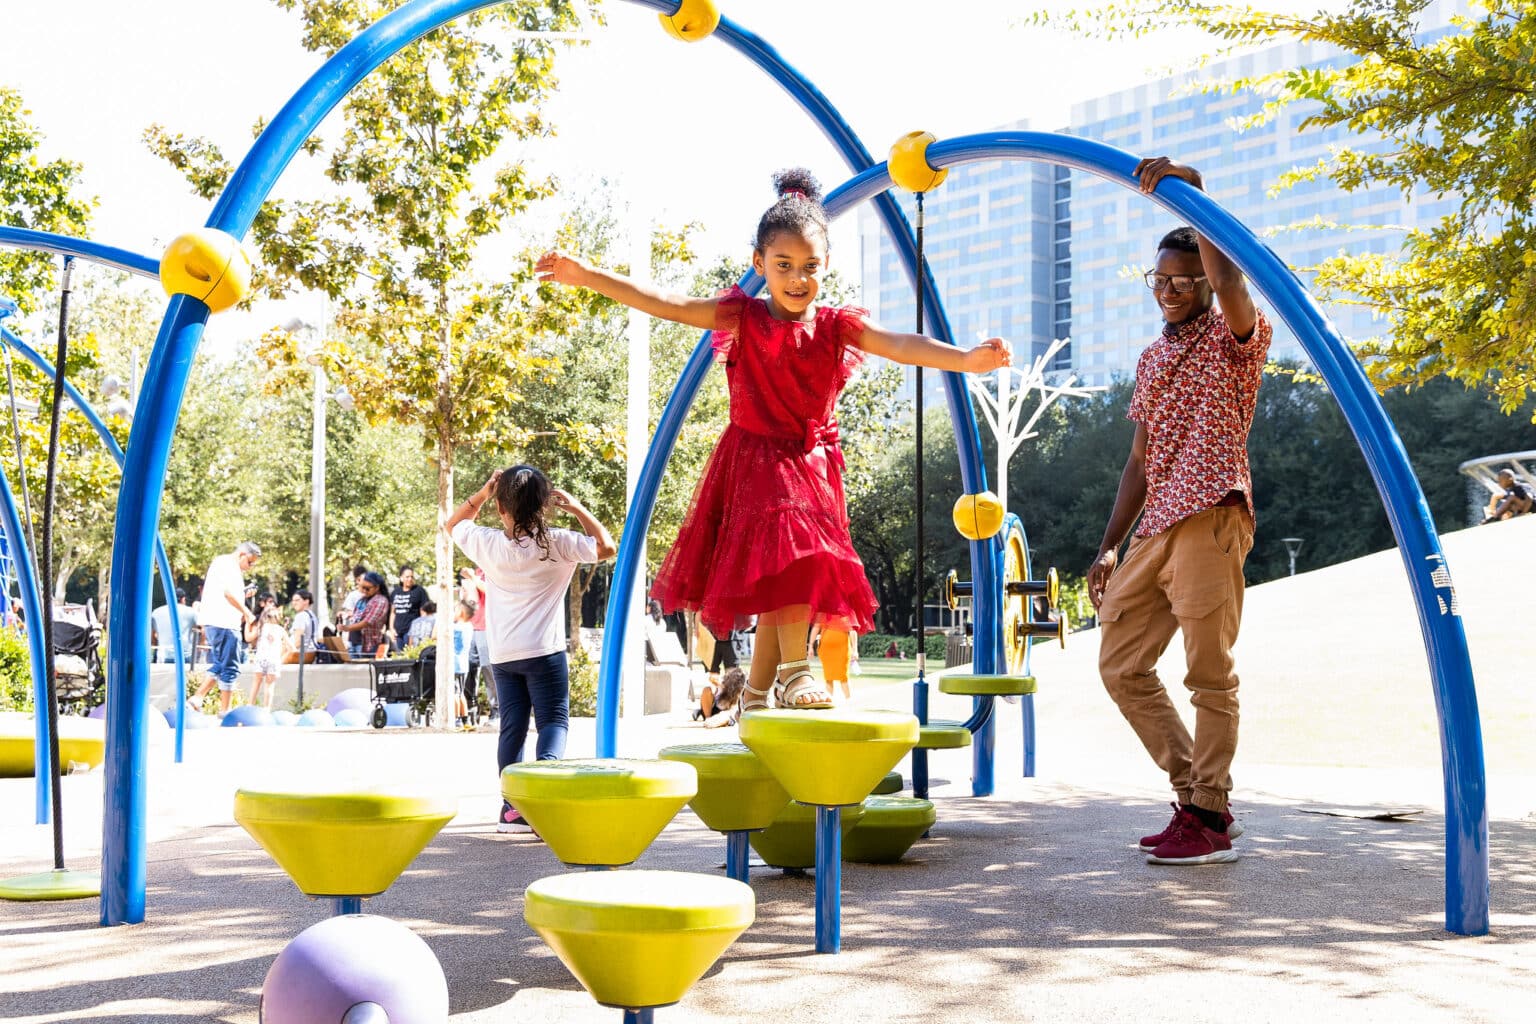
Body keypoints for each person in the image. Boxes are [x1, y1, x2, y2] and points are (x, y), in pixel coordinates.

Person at [536, 168, 1010, 713]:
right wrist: (586, 274)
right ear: (759, 264)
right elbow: (665, 300)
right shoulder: (743, 316)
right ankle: (795, 671)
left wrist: (966, 360)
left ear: (825, 266)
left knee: (785, 578)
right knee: (792, 558)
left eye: (810, 267)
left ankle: (757, 695)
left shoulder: (836, 326)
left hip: (812, 462)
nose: (797, 278)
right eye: (783, 266)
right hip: (756, 461)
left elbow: (904, 343)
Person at [1086, 156, 1272, 868]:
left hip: (1211, 515)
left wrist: (1193, 192)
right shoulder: (1150, 357)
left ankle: (1208, 814)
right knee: (1121, 662)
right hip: (1157, 523)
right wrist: (1110, 545)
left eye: (1179, 280)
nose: (1166, 290)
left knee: (1208, 674)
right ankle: (1200, 797)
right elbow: (1137, 459)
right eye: (1157, 280)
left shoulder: (1235, 343)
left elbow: (1230, 278)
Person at [447, 465, 616, 834]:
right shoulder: (559, 542)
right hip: (544, 651)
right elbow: (607, 547)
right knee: (553, 722)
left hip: (504, 653)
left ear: (501, 509)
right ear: (544, 505)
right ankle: (544, 802)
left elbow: (453, 524)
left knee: (513, 728)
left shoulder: (488, 543)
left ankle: (512, 809)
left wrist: (484, 492)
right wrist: (576, 508)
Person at [189, 542, 261, 715]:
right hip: (223, 623)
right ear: (242, 554)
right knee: (228, 666)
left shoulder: (226, 566)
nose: (250, 567)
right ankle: (202, 700)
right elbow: (228, 594)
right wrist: (247, 612)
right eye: (249, 562)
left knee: (224, 664)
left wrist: (244, 594)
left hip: (221, 622)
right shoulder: (227, 564)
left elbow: (228, 593)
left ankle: (218, 707)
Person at [335, 571, 390, 658]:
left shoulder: (380, 601)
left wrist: (346, 628)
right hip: (354, 641)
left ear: (377, 588)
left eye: (367, 588)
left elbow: (367, 622)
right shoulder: (363, 599)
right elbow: (357, 616)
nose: (364, 591)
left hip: (368, 645)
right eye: (362, 587)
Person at [460, 566, 491, 713]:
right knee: (468, 667)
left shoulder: (492, 569)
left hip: (487, 626)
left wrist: (472, 578)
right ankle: (470, 706)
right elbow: (470, 601)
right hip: (471, 626)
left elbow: (490, 590)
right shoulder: (477, 571)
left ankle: (496, 709)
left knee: (488, 667)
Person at [246, 604, 287, 712]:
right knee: (269, 686)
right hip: (274, 660)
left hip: (260, 658)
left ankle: (250, 705)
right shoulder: (280, 630)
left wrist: (247, 624)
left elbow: (248, 638)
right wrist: (281, 655)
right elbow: (291, 647)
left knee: (256, 683)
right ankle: (266, 709)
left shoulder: (261, 628)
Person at [811, 622, 858, 703]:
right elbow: (816, 627)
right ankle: (829, 700)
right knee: (828, 677)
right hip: (826, 649)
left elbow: (852, 630)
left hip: (843, 649)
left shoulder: (845, 611)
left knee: (843, 676)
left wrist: (855, 649)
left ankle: (849, 700)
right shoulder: (823, 612)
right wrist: (810, 646)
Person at [150, 587, 199, 664]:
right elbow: (203, 628)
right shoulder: (191, 612)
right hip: (185, 655)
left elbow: (152, 635)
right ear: (183, 599)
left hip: (163, 655)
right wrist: (202, 643)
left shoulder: (156, 612)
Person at [388, 565, 428, 652]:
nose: (410, 579)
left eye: (411, 577)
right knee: (399, 656)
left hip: (412, 632)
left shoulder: (419, 591)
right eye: (407, 577)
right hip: (397, 633)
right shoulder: (395, 592)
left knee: (410, 655)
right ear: (401, 578)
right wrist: (391, 629)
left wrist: (421, 630)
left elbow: (424, 612)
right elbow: (393, 612)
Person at [288, 589, 319, 660]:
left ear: (306, 601)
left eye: (297, 600)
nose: (294, 603)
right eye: (293, 600)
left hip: (300, 654)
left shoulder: (301, 616)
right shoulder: (312, 615)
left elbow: (298, 641)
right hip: (311, 653)